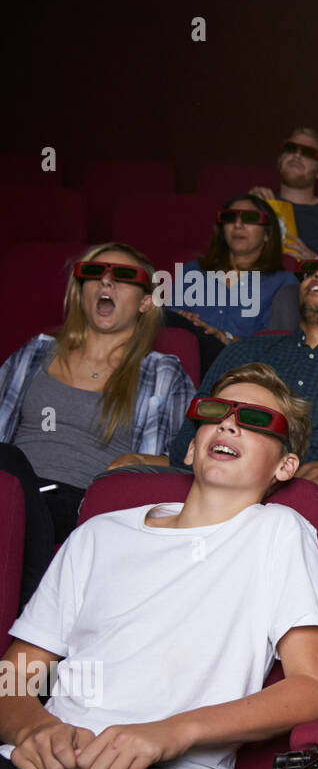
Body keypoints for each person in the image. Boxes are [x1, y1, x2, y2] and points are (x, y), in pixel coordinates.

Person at [0, 362, 318, 769]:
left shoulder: (278, 532)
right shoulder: (99, 534)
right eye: (215, 412)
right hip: (35, 761)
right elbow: (15, 677)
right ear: (191, 444)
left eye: (256, 420)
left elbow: (314, 688)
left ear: (285, 467)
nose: (228, 424)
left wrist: (172, 733)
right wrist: (36, 729)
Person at [114, 252, 318, 654]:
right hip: (228, 487)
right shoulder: (244, 352)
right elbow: (184, 447)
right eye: (311, 271)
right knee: (116, 482)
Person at [0, 242, 195, 606]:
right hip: (9, 485)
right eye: (94, 273)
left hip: (81, 503)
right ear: (81, 292)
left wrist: (142, 461)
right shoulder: (35, 353)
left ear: (144, 301)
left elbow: (190, 459)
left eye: (124, 276)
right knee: (8, 466)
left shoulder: (162, 374)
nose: (106, 282)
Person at [164, 194, 298, 375]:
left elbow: (276, 346)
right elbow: (168, 323)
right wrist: (184, 317)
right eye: (229, 217)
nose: (238, 224)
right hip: (185, 365)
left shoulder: (283, 282)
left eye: (250, 218)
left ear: (267, 234)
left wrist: (224, 337)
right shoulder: (193, 271)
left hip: (244, 371)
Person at [250, 126, 318, 258]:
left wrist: (314, 262)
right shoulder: (260, 204)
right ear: (279, 161)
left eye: (308, 152)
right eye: (291, 148)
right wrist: (249, 206)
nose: (297, 155)